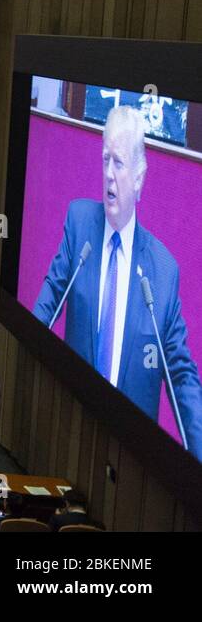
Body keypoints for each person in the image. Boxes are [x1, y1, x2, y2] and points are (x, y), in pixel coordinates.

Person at [31, 107, 202, 457]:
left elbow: (181, 374)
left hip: (129, 452)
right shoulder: (80, 223)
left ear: (139, 178)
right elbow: (50, 295)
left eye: (119, 163)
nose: (109, 174)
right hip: (71, 428)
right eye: (105, 159)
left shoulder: (163, 271)